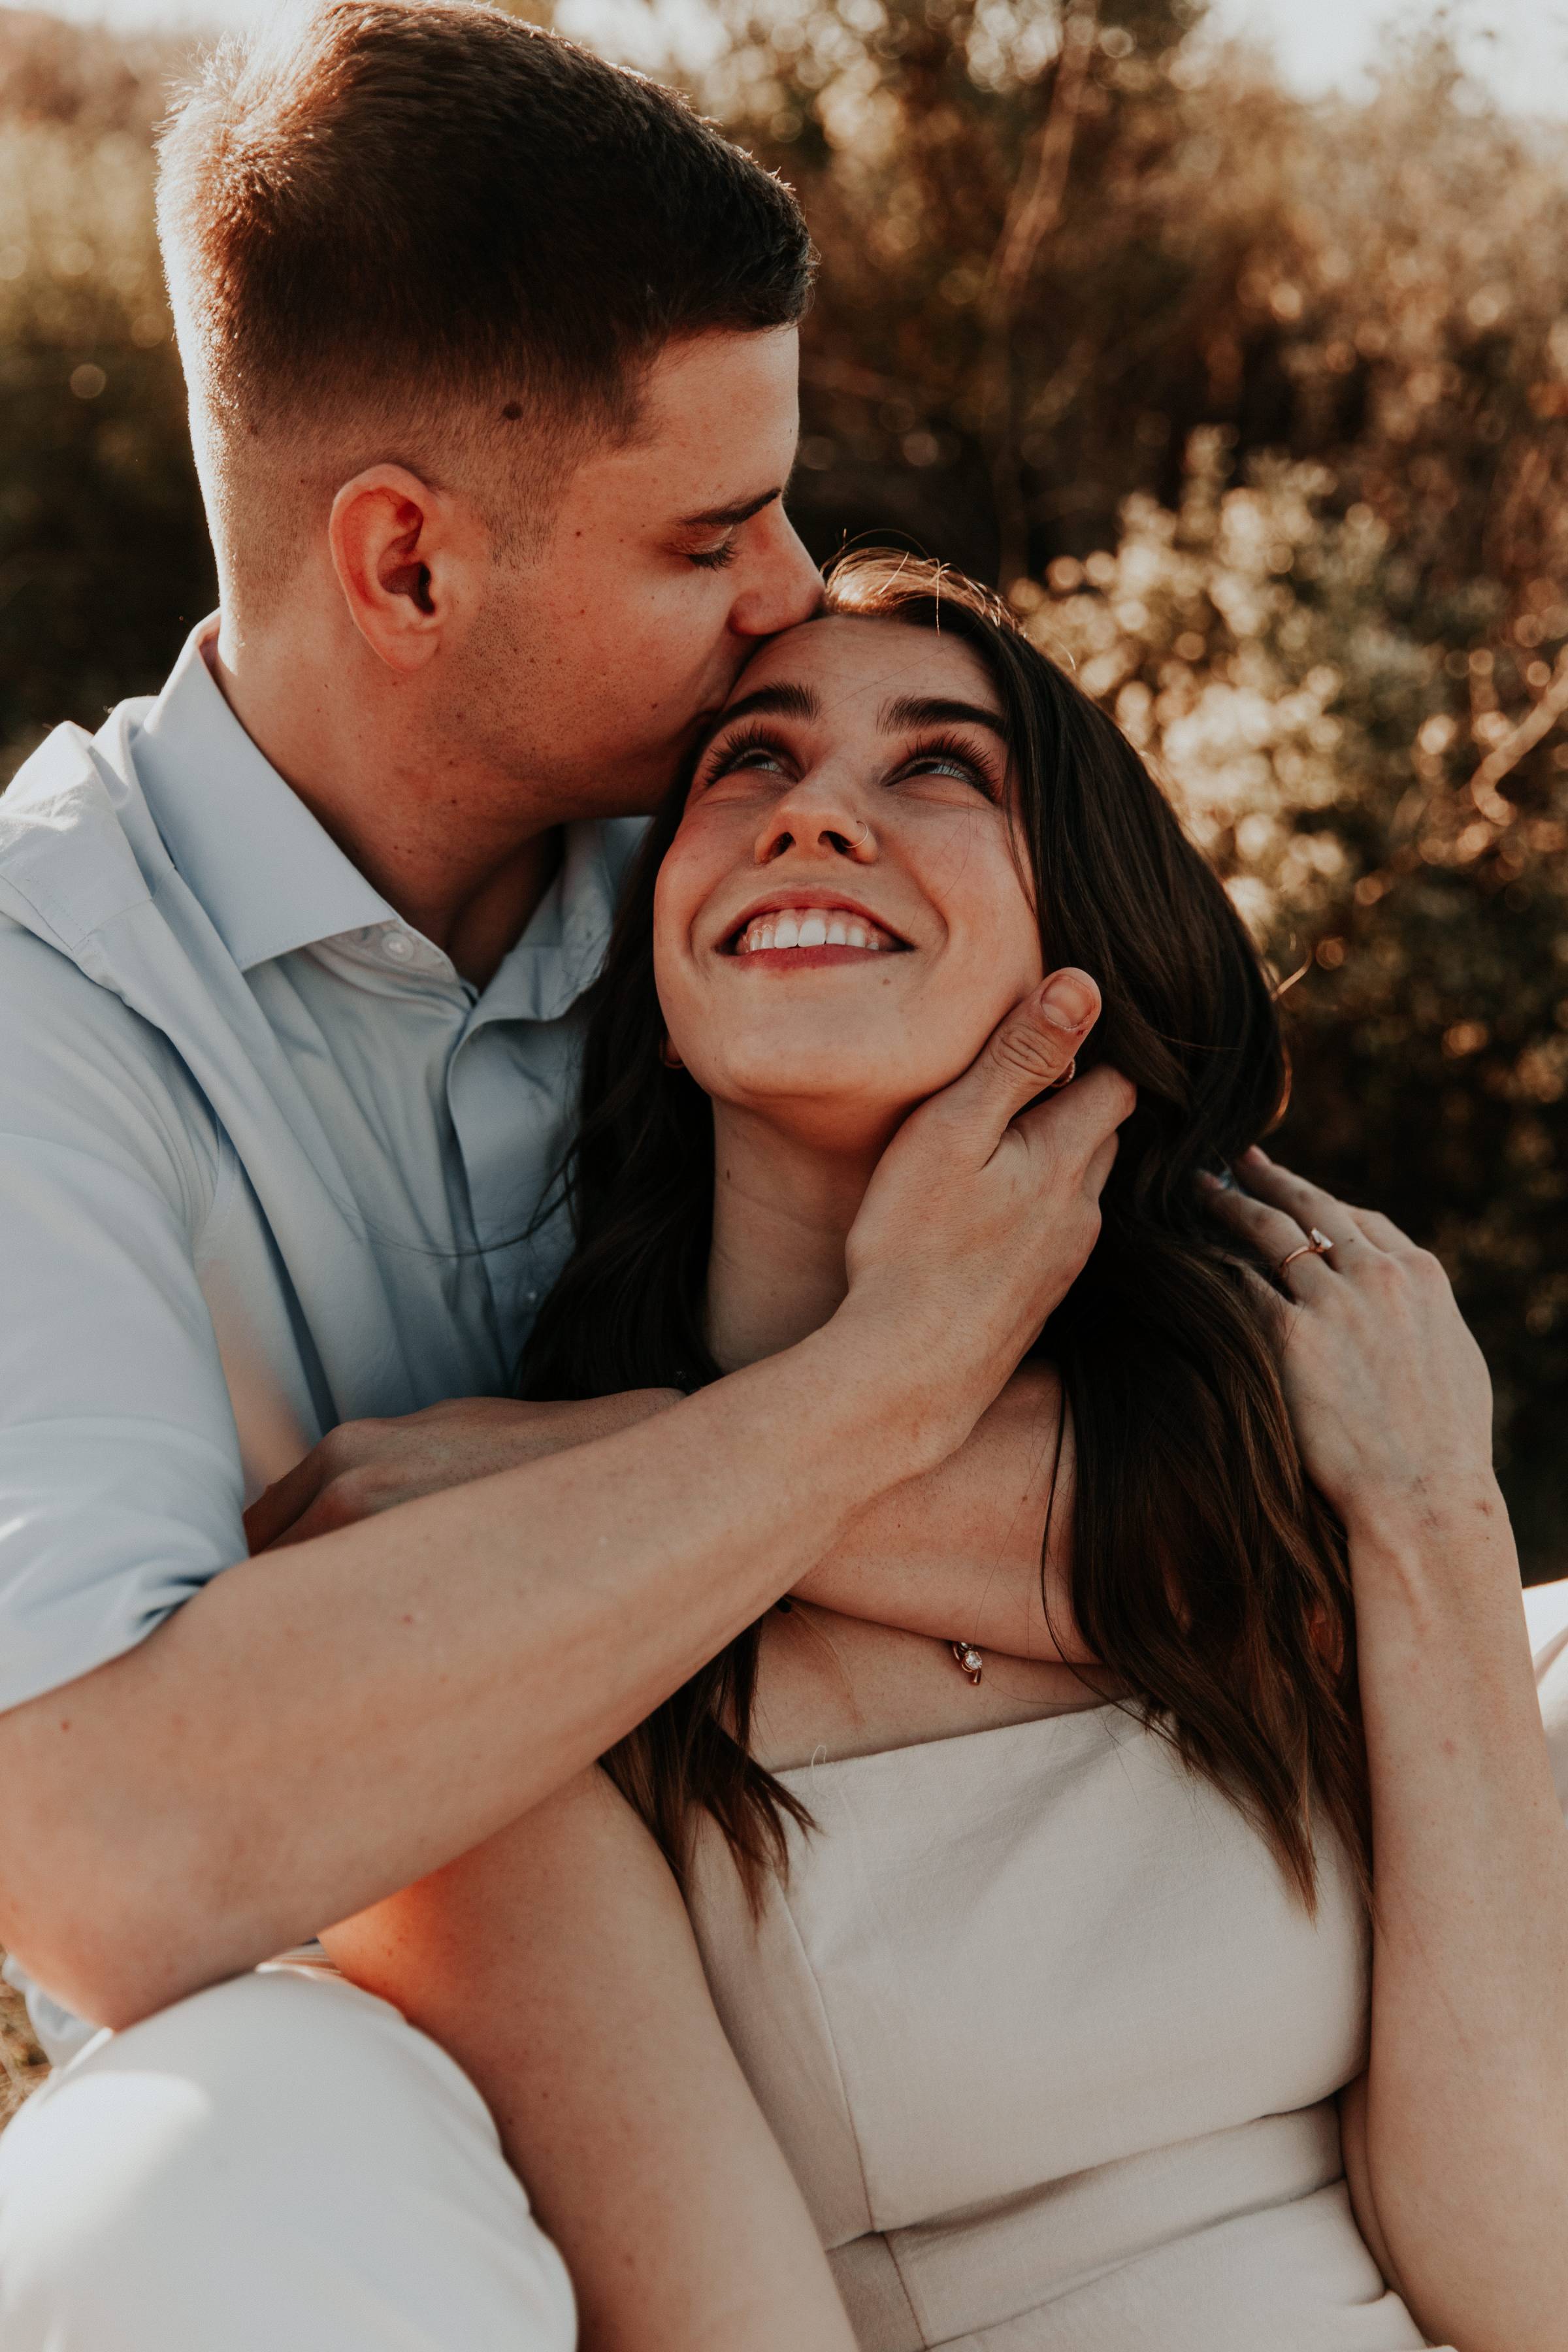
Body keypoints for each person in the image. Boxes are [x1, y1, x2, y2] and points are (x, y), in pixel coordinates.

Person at [0, 11, 1134, 2349]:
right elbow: (114, 1856)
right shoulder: (42, 1008)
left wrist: (515, 1483)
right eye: (709, 534)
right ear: (404, 563)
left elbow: (1295, 1444)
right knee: (221, 2179)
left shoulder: (763, 865)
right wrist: (882, 1388)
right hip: (385, 2132)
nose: (788, 592)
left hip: (911, 1948)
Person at [315, 557, 1568, 2352]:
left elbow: (1522, 2268)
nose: (816, 813)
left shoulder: (1284, 1494)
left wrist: (1440, 1509)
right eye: (750, 761)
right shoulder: (532, 1644)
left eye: (940, 769)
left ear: (1081, 938)